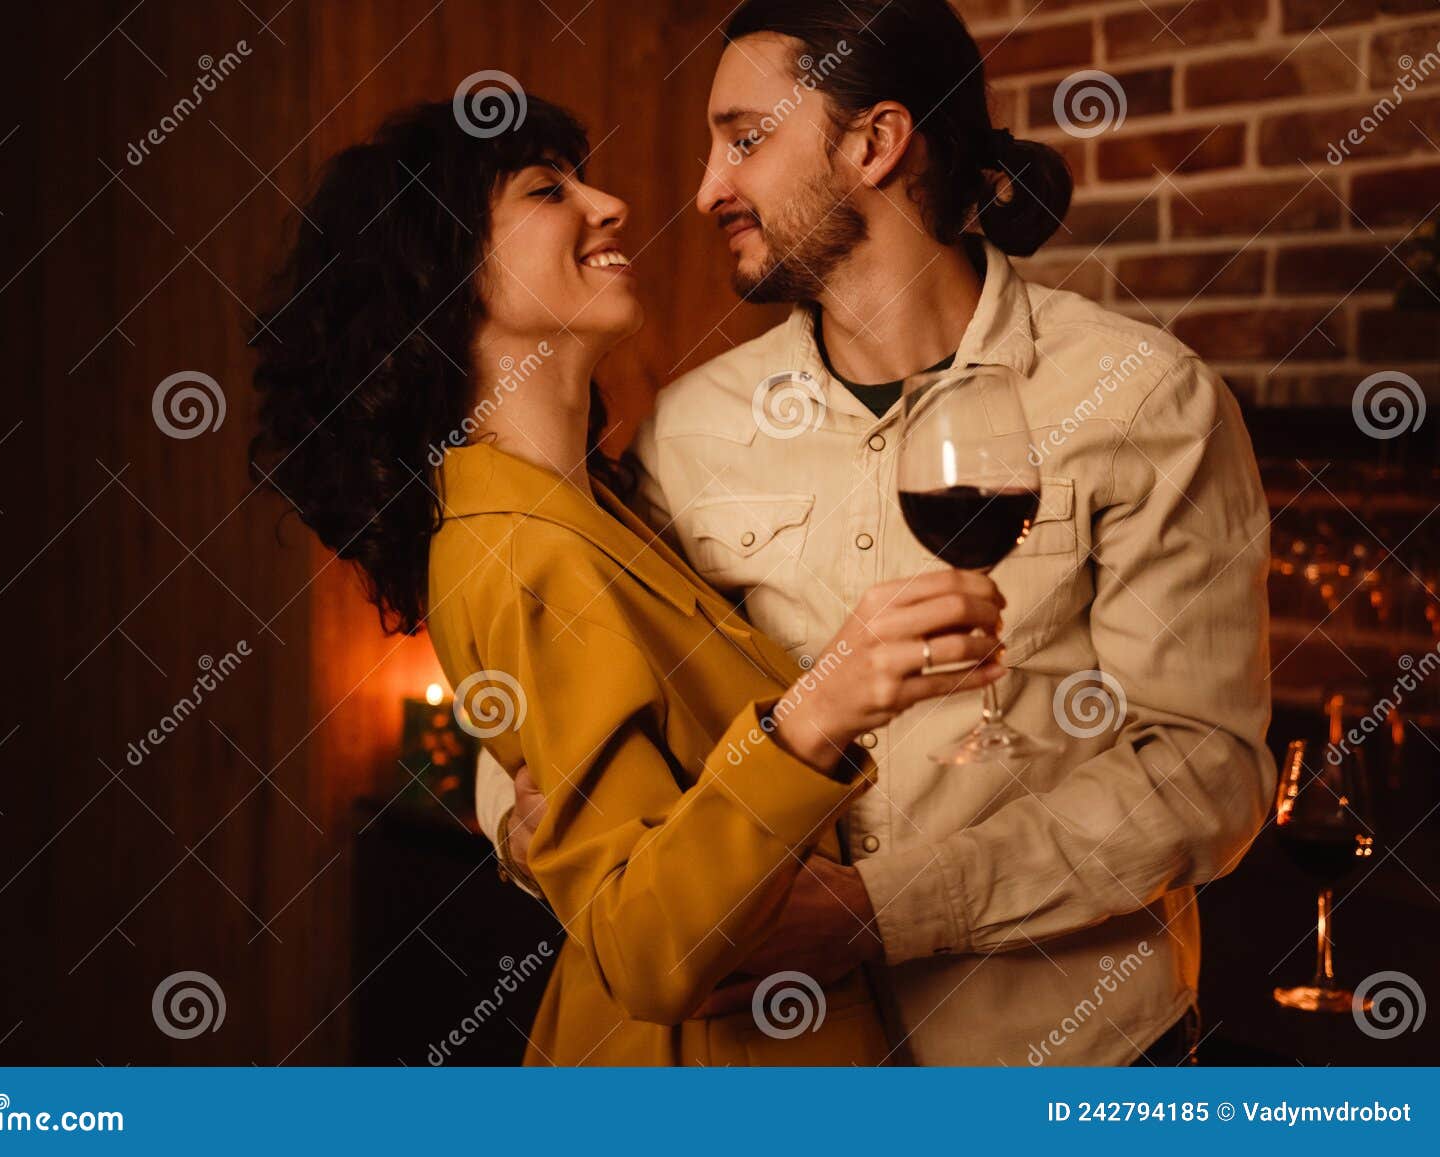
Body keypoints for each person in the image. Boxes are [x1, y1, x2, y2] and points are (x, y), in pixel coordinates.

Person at [479, 0, 1276, 1067]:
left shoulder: (1142, 399)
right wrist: (538, 836)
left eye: (745, 137)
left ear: (874, 142)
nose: (707, 187)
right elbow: (554, 731)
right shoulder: (689, 430)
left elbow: (1205, 773)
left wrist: (882, 908)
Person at [247, 96, 1012, 1065]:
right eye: (547, 189)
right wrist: (820, 712)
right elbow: (647, 945)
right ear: (444, 275)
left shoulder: (592, 508)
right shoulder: (521, 548)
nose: (610, 205)